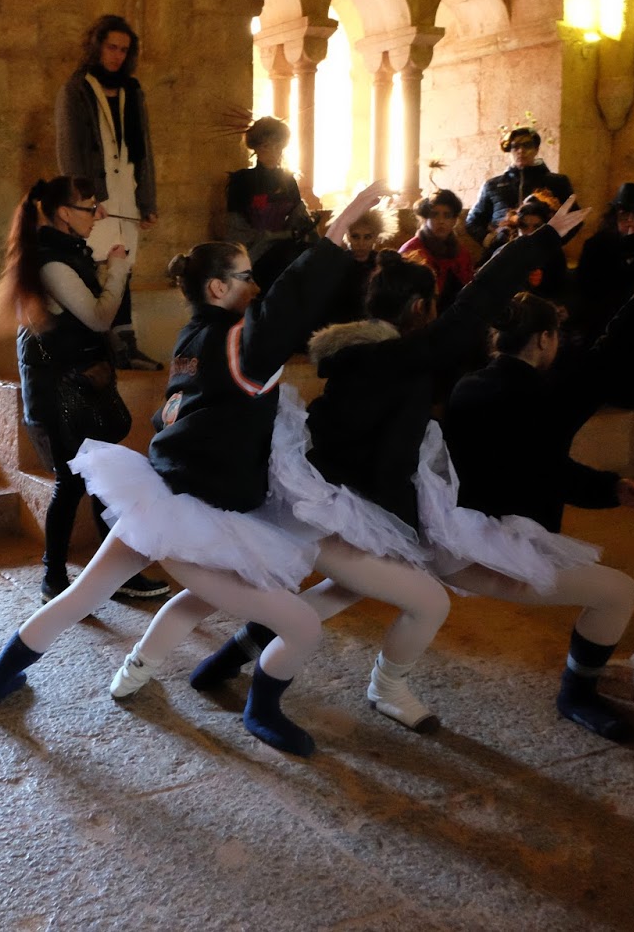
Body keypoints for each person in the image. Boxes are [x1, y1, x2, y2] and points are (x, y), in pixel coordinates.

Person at [0, 184, 389, 756]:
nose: (256, 286)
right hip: (196, 513)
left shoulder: (196, 333)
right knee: (301, 625)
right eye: (245, 276)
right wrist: (337, 232)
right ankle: (261, 710)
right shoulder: (241, 340)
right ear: (218, 288)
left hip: (161, 495)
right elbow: (290, 299)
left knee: (85, 594)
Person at [190, 198, 592, 713]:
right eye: (433, 306)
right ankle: (384, 688)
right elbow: (474, 307)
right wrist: (537, 242)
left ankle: (231, 657)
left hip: (341, 495)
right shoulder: (399, 358)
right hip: (343, 502)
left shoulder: (361, 354)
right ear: (421, 310)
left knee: (345, 588)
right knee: (427, 600)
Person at [430, 208, 634, 741]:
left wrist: (610, 487)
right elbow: (619, 343)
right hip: (499, 556)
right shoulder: (547, 395)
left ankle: (250, 649)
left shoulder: (469, 387)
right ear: (541, 341)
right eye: (556, 336)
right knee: (618, 592)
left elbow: (534, 466)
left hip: (448, 540)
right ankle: (576, 692)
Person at [0, 176, 170, 603]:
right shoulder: (53, 264)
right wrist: (118, 268)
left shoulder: (65, 254)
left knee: (101, 479)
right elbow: (100, 317)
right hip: (60, 393)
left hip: (80, 385)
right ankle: (53, 577)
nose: (99, 214)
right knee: (71, 484)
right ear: (64, 214)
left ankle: (114, 571)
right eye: (89, 207)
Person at [55, 13, 165, 371]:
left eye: (124, 49)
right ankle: (98, 345)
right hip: (95, 197)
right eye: (111, 47)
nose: (117, 55)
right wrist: (84, 203)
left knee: (124, 264)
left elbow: (144, 149)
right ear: (96, 47)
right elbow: (71, 150)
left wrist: (148, 202)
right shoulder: (77, 89)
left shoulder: (132, 92)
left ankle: (125, 343)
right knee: (94, 264)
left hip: (127, 194)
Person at [222, 115, 316, 292]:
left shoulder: (288, 180)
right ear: (256, 148)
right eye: (267, 146)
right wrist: (270, 237)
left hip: (286, 249)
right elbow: (235, 227)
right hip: (254, 253)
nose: (274, 152)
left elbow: (301, 220)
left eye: (278, 146)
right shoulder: (241, 181)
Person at [573, 182, 634, 343]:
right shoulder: (596, 244)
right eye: (624, 216)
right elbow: (587, 286)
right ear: (614, 217)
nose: (630, 221)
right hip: (605, 317)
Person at [464, 125, 575, 248]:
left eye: (527, 145)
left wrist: (553, 243)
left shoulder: (557, 182)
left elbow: (574, 218)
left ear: (536, 149)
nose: (521, 150)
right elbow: (473, 221)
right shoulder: (492, 186)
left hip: (544, 256)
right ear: (510, 150)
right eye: (515, 146)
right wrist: (489, 240)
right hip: (503, 255)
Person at [482, 192, 569, 300]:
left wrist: (540, 283)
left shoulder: (554, 253)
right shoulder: (502, 244)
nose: (529, 232)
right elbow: (482, 277)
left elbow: (558, 290)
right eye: (524, 226)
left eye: (537, 227)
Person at [399, 189, 475, 306]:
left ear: (454, 220)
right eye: (434, 215)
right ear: (425, 219)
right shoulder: (412, 250)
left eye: (447, 216)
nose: (441, 221)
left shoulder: (461, 252)